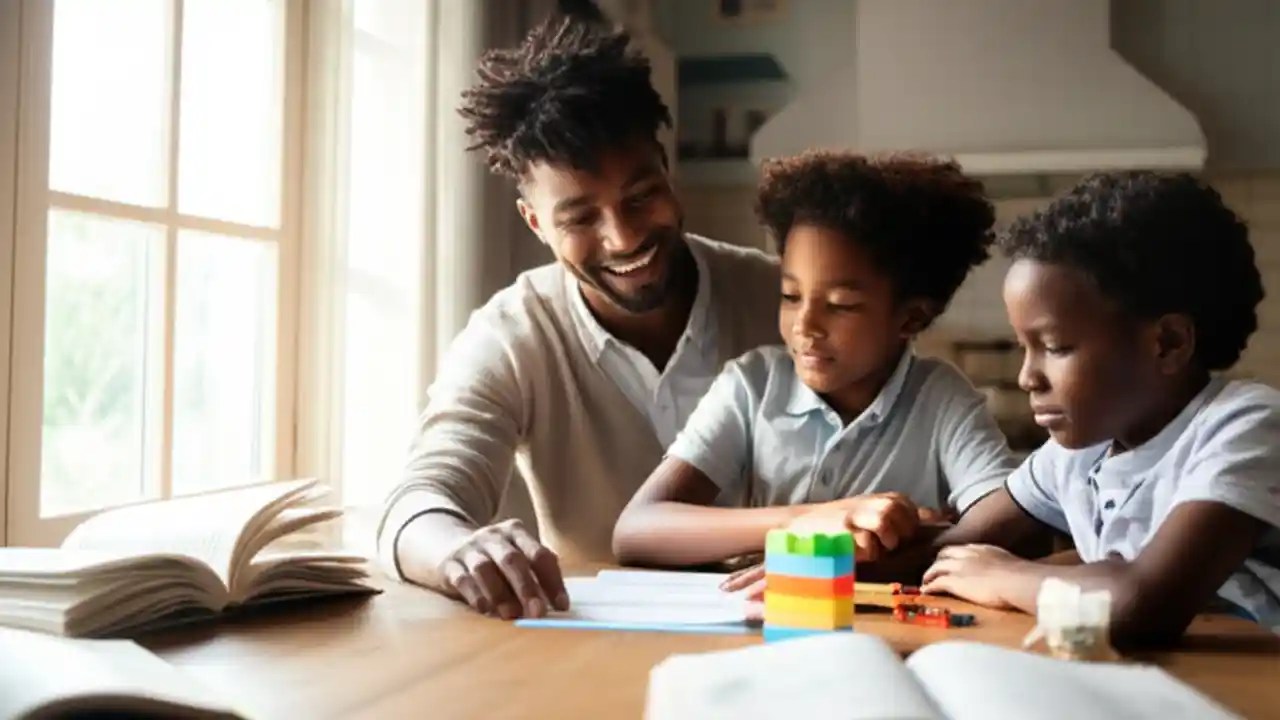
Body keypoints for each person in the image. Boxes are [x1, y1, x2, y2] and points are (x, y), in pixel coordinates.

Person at [375, 16, 782, 620]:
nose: (623, 238)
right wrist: (459, 548)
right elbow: (418, 501)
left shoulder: (783, 299)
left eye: (641, 196)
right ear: (535, 223)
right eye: (579, 218)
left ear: (667, 171)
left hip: (788, 635)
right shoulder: (513, 333)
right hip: (589, 655)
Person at [919, 171, 1280, 646]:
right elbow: (954, 551)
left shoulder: (1243, 426)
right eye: (1025, 347)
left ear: (1168, 343)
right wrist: (846, 537)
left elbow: (1140, 605)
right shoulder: (1079, 449)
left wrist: (1005, 576)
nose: (1028, 376)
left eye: (1056, 346)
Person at [612, 151, 1019, 570]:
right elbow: (637, 531)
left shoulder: (939, 399)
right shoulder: (751, 387)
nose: (805, 325)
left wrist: (891, 553)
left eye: (840, 305)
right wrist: (813, 521)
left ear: (911, 316)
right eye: (791, 296)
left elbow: (1012, 520)